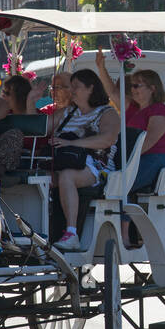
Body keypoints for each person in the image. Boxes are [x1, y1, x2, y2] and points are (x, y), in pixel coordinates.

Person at [92, 59, 165, 249]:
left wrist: (125, 162)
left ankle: (124, 235)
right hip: (131, 158)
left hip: (155, 158)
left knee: (122, 182)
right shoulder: (132, 107)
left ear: (152, 88)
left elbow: (150, 140)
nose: (133, 89)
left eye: (137, 85)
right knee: (109, 179)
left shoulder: (160, 110)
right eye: (132, 85)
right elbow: (112, 92)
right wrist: (101, 68)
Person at [50, 69, 120, 250]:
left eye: (76, 87)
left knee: (66, 176)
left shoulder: (107, 113)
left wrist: (71, 143)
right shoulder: (68, 112)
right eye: (70, 87)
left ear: (91, 88)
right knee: (39, 179)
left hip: (97, 167)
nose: (71, 91)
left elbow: (107, 139)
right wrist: (30, 102)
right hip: (66, 161)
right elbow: (41, 128)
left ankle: (71, 233)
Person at [0, 75, 49, 176]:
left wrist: (30, 101)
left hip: (23, 160)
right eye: (3, 91)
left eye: (7, 93)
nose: (2, 95)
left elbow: (35, 143)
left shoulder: (37, 115)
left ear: (21, 96)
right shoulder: (0, 112)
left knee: (15, 136)